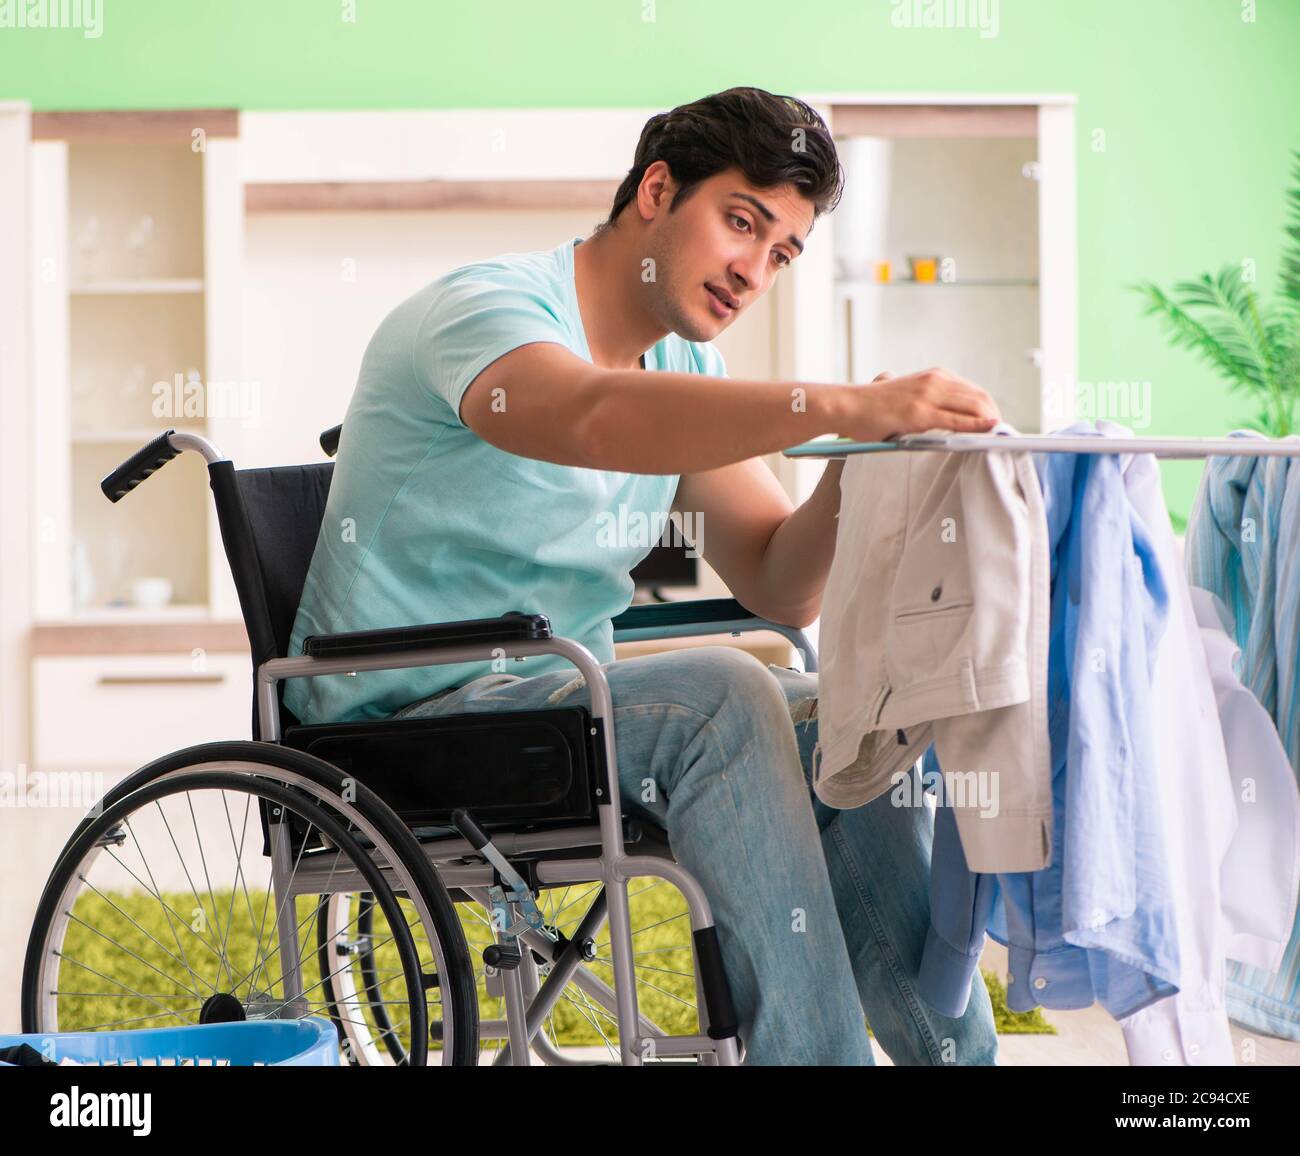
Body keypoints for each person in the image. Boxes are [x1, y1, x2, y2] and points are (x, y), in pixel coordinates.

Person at [285, 86, 1002, 1065]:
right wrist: (840, 403)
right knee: (724, 694)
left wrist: (856, 460)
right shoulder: (485, 310)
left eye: (782, 252)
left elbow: (778, 581)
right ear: (657, 191)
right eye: (741, 222)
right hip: (398, 724)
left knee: (851, 717)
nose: (754, 270)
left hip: (551, 707)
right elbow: (592, 415)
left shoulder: (680, 369)